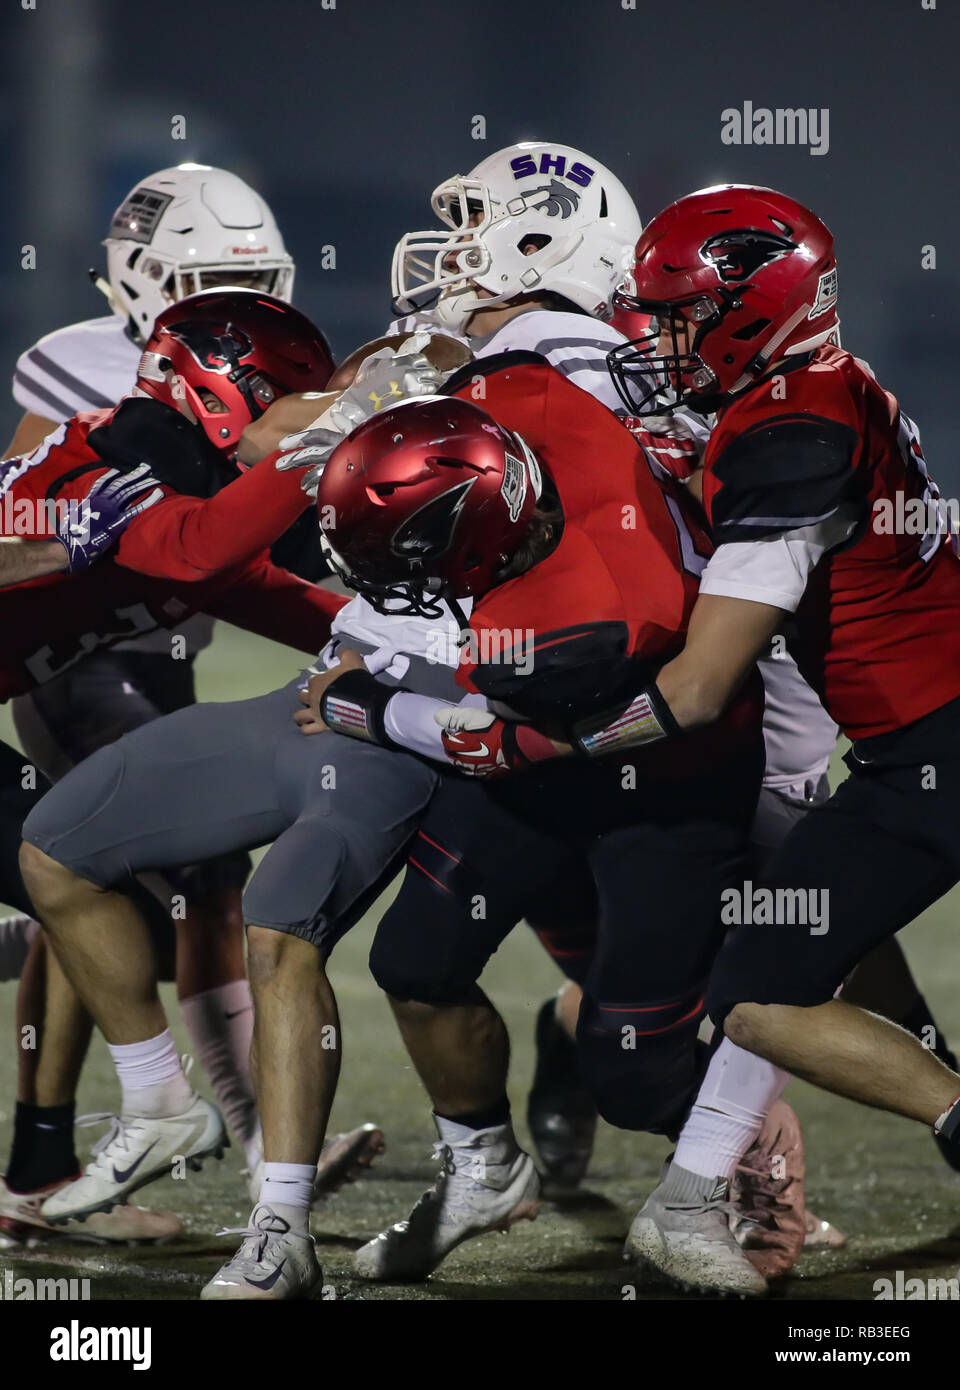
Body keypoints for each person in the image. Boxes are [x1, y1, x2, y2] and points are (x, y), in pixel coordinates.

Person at [507, 182, 960, 1291]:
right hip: (920, 742)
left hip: (933, 748)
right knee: (811, 909)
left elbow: (701, 688)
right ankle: (696, 1195)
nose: (655, 339)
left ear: (753, 310)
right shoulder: (827, 384)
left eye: (676, 314)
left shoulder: (790, 434)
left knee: (755, 994)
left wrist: (547, 741)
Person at [0, 288, 356, 1243]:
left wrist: (405, 649)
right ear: (218, 390)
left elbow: (273, 593)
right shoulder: (109, 461)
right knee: (74, 879)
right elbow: (198, 554)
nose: (287, 435)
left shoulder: (169, 489)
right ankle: (147, 1105)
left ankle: (132, 1118)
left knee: (73, 875)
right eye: (283, 407)